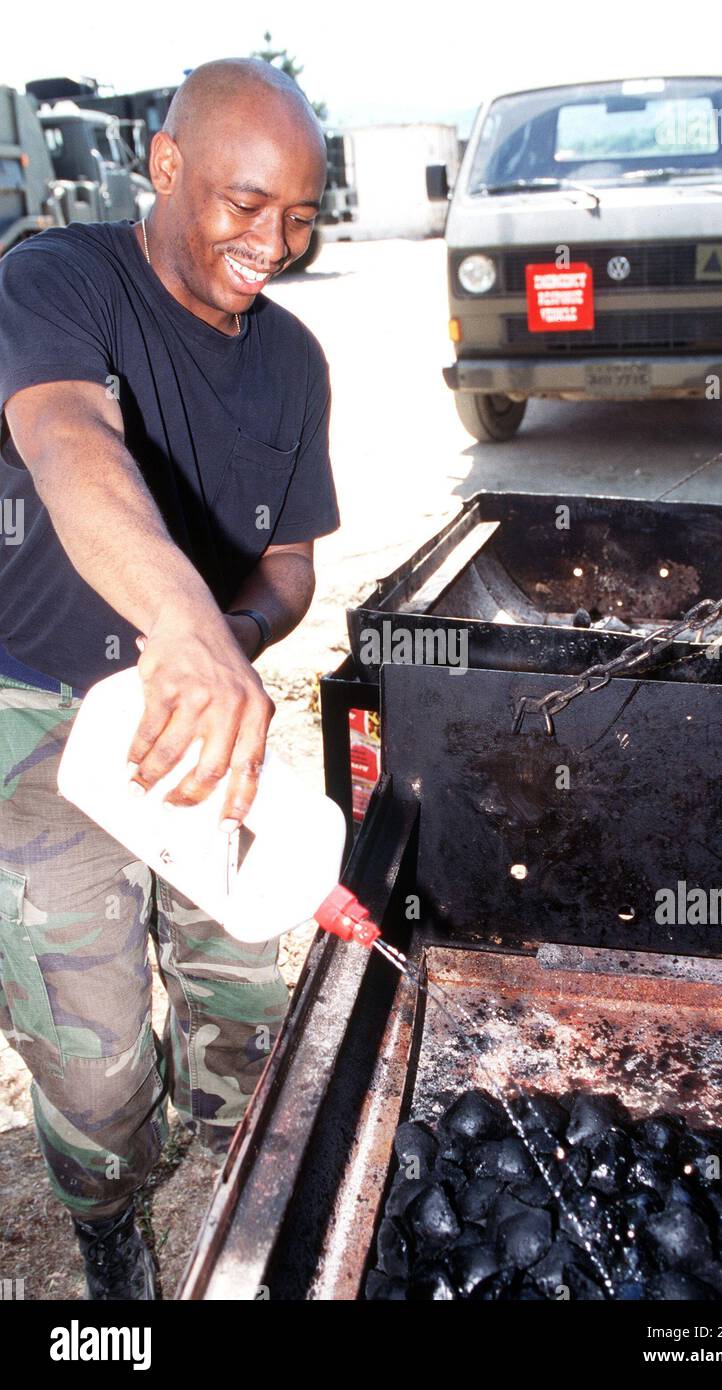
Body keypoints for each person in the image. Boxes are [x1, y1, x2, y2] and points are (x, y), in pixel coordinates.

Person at [0, 57, 339, 1299]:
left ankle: (232, 1164)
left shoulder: (294, 361)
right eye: (246, 204)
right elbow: (66, 434)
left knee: (251, 996)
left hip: (206, 706)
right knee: (92, 1067)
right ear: (166, 165)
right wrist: (180, 622)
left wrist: (227, 650)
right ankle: (107, 1229)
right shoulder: (55, 278)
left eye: (301, 218)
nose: (274, 243)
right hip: (38, 710)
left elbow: (292, 562)